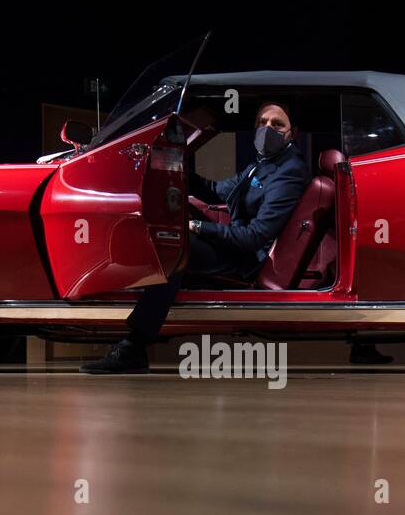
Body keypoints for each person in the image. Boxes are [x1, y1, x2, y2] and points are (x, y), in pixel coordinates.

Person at [81, 102, 310, 374]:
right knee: (176, 229)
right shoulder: (261, 165)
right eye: (262, 123)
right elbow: (216, 191)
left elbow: (255, 237)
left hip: (246, 257)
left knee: (174, 250)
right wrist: (175, 168)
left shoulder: (289, 171)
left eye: (277, 124)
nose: (267, 129)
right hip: (236, 245)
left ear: (292, 133)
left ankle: (134, 346)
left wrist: (199, 227)